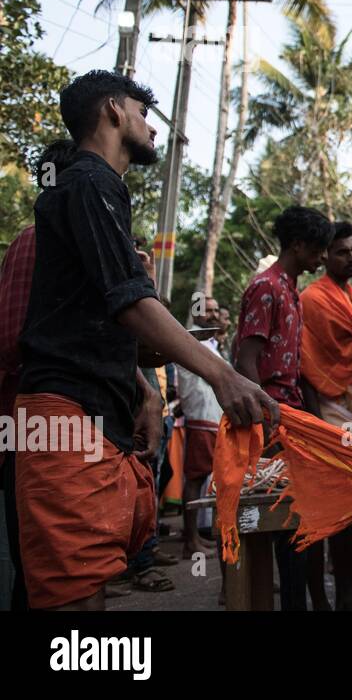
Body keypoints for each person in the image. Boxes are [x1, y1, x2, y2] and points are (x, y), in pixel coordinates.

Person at [14, 71, 275, 611]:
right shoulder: (89, 181)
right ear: (112, 110)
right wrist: (222, 373)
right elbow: (130, 302)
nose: (151, 128)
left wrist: (147, 391)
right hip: (65, 417)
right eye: (142, 112)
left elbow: (95, 321)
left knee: (90, 590)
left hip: (90, 416)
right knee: (74, 600)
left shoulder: (93, 188)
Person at [233, 204, 332, 611]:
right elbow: (245, 361)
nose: (323, 258)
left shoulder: (291, 289)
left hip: (290, 417)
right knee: (282, 521)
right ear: (298, 245)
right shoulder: (267, 287)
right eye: (318, 250)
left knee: (298, 521)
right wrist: (265, 422)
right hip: (271, 422)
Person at [0, 138, 78, 611]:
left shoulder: (78, 240)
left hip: (59, 429)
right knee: (39, 576)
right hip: (38, 427)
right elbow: (12, 340)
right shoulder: (38, 240)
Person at [299, 220, 352, 610]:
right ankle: (320, 600)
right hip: (326, 410)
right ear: (324, 256)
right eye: (341, 252)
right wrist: (315, 423)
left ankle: (346, 596)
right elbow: (306, 364)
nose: (351, 258)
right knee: (322, 510)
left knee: (347, 505)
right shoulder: (312, 299)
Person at [174, 295, 225, 558]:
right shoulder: (191, 338)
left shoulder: (207, 341)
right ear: (195, 312)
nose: (214, 315)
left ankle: (196, 539)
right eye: (208, 310)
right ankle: (190, 541)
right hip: (201, 417)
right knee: (195, 479)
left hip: (211, 418)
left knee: (203, 478)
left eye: (216, 310)